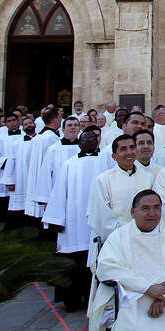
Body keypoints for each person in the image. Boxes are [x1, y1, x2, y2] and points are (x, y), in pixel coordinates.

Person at [86, 190, 165, 331]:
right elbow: (106, 267)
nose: (152, 213)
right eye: (145, 208)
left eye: (157, 208)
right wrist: (147, 288)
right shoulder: (119, 236)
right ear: (133, 212)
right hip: (132, 298)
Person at [42, 128, 106, 311]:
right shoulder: (69, 164)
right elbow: (59, 192)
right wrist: (57, 219)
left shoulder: (105, 162)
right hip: (73, 222)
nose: (89, 142)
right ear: (80, 142)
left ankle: (92, 299)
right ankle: (72, 300)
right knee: (73, 261)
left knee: (94, 258)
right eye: (86, 139)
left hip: (96, 220)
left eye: (93, 139)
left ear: (98, 142)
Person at [89, 135, 157, 252]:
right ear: (114, 156)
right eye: (123, 149)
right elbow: (101, 217)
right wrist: (126, 235)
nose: (129, 152)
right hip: (117, 242)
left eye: (132, 147)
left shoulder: (148, 178)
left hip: (146, 239)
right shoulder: (103, 180)